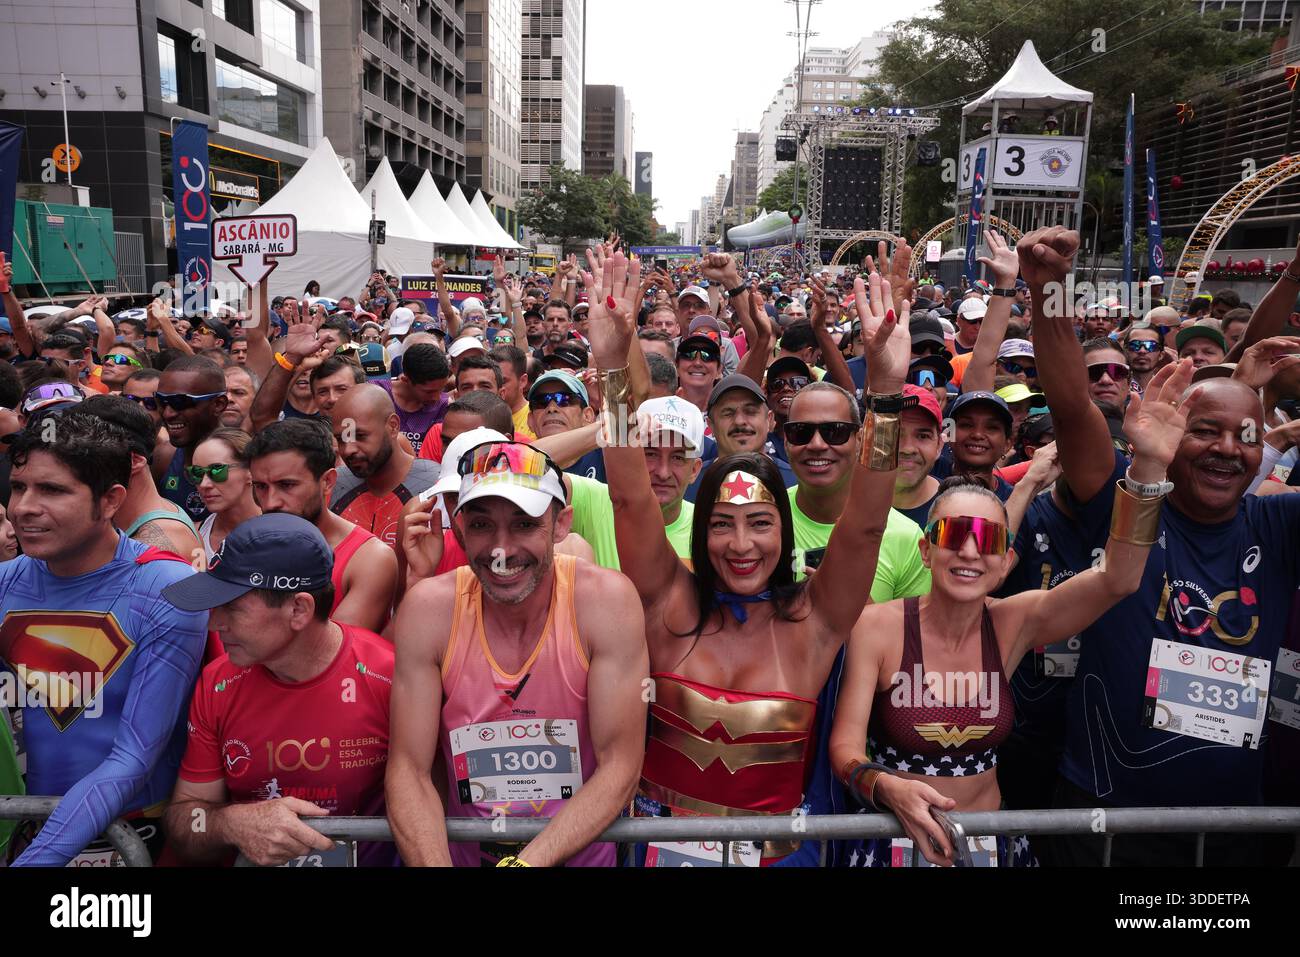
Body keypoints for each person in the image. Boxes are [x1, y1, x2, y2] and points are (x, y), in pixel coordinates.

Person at [590, 249, 910, 866]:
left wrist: (887, 393)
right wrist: (609, 366)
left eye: (760, 524)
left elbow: (866, 526)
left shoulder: (811, 622)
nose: (742, 546)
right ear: (697, 533)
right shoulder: (668, 602)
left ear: (785, 534)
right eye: (723, 525)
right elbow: (630, 500)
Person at [830, 358, 1191, 866]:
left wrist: (1149, 468)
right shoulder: (879, 625)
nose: (971, 553)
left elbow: (1118, 578)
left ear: (1004, 558)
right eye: (955, 535)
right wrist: (888, 788)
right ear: (926, 550)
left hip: (991, 843)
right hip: (893, 843)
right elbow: (845, 749)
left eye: (990, 540)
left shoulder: (1012, 622)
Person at [1021, 225, 1300, 866]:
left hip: (1231, 834)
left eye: (1246, 436)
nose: (1228, 449)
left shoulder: (1277, 528)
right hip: (1104, 821)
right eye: (1205, 431)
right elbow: (1070, 405)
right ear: (1171, 437)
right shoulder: (1122, 503)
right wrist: (1051, 294)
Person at [386, 439, 649, 866]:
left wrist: (525, 864)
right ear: (459, 526)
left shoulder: (605, 602)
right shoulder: (430, 610)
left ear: (561, 525)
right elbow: (409, 769)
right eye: (482, 525)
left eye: (525, 524)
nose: (502, 551)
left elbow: (619, 767)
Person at [0, 413, 207, 865]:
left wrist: (36, 862)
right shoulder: (4, 584)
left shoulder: (167, 590)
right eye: (19, 487)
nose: (24, 508)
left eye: (52, 490)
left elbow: (135, 756)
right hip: (32, 826)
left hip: (139, 835)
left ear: (111, 499)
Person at [161, 514, 395, 866]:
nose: (213, 622)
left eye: (232, 607)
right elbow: (183, 821)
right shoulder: (218, 683)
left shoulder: (387, 676)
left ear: (299, 609)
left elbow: (433, 808)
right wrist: (231, 823)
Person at [246, 419, 398, 634]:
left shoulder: (369, 559)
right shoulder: (245, 546)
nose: (271, 502)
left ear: (327, 481)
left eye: (287, 485)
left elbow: (332, 656)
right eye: (261, 486)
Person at [783, 381, 931, 597]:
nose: (816, 444)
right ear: (786, 441)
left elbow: (908, 630)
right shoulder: (761, 521)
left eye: (834, 431)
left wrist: (852, 603)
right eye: (800, 432)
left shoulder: (905, 537)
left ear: (860, 439)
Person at [80, 395, 203, 559]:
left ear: (134, 461)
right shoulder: (130, 521)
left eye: (84, 454)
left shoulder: (155, 547)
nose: (72, 464)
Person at [329, 383, 440, 548]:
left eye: (360, 436)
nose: (348, 450)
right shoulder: (334, 485)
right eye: (341, 439)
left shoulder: (437, 485)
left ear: (393, 426)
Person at [152, 355, 230, 525]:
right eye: (161, 401)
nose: (168, 413)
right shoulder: (164, 457)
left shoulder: (246, 459)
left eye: (180, 402)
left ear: (219, 404)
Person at [192, 428, 260, 563]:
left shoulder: (281, 536)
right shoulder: (192, 536)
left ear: (251, 471)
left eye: (217, 470)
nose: (204, 484)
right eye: (197, 473)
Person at [375, 343, 451, 455]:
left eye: (441, 389)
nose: (436, 398)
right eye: (429, 392)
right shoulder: (377, 394)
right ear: (405, 380)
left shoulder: (444, 406)